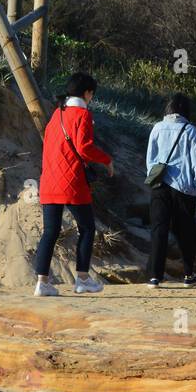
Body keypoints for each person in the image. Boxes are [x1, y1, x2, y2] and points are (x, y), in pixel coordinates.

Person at [33, 72, 113, 296]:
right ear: (88, 93)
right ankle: (83, 279)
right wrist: (107, 160)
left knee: (50, 231)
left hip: (49, 181)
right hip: (72, 182)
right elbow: (84, 148)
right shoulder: (82, 115)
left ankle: (42, 283)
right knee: (87, 228)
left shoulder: (56, 115)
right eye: (91, 95)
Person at [145, 93, 196, 288]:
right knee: (186, 232)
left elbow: (150, 159)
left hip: (159, 187)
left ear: (169, 109)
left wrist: (153, 176)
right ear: (185, 111)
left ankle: (155, 277)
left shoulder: (157, 128)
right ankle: (188, 275)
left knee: (159, 230)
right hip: (183, 189)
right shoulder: (190, 130)